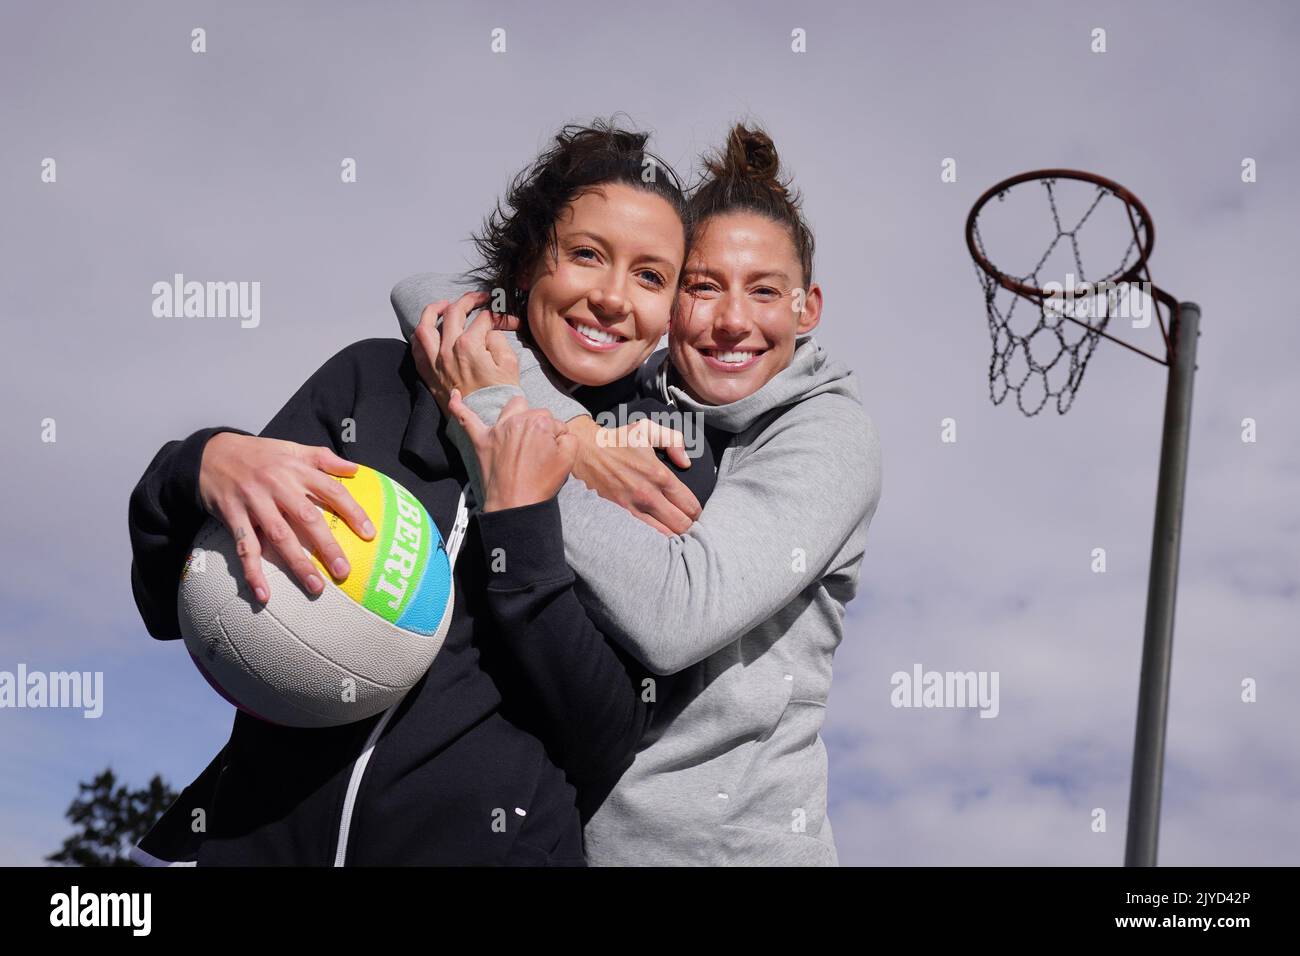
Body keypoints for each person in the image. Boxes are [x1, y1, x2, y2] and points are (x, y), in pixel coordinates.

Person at [125, 121, 709, 865]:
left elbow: (604, 739)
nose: (611, 298)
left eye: (650, 276)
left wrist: (521, 523)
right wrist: (202, 463)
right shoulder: (374, 379)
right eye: (586, 254)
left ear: (671, 312)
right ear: (529, 260)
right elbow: (167, 602)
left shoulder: (658, 460)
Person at [402, 123, 884, 865]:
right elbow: (430, 297)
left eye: (764, 291)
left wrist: (521, 445)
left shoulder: (827, 434)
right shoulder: (625, 395)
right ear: (669, 300)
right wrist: (578, 434)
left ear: (806, 309)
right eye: (702, 286)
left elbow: (675, 615)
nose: (731, 320)